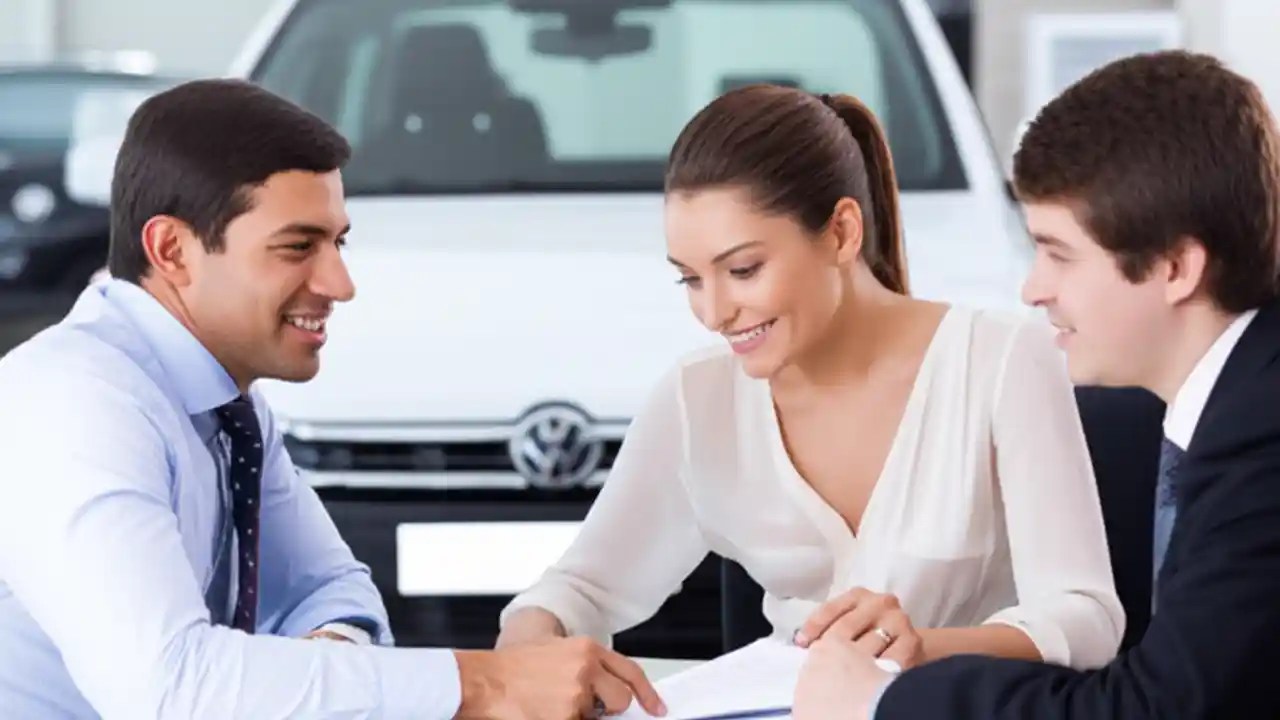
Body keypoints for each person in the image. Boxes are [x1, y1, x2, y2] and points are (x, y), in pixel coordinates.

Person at [0, 79, 665, 720]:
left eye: (338, 242)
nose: (340, 283)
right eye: (298, 247)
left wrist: (325, 676)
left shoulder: (228, 402)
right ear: (173, 249)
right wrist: (486, 683)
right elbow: (172, 690)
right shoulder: (75, 405)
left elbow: (336, 594)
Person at [496, 84, 1124, 677]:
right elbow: (577, 589)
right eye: (690, 279)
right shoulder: (699, 399)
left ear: (843, 232)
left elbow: (1085, 615)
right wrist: (530, 645)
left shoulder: (1001, 359)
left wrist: (921, 651)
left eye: (742, 269)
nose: (714, 314)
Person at [792, 49, 1280, 720]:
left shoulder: (1263, 442)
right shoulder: (1226, 402)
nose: (1033, 288)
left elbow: (1159, 709)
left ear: (1174, 267)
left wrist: (884, 701)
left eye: (1059, 254)